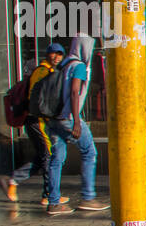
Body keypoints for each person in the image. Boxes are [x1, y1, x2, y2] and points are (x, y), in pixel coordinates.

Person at [46, 35, 110, 215]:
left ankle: (53, 202)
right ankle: (88, 197)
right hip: (69, 118)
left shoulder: (63, 64)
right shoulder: (80, 66)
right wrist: (76, 122)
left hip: (54, 118)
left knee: (56, 159)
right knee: (89, 152)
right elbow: (75, 92)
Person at [0, 43, 68, 207]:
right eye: (54, 53)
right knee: (48, 155)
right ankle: (48, 194)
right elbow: (37, 98)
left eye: (60, 54)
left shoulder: (49, 71)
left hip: (40, 120)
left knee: (43, 157)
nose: (57, 57)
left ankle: (14, 180)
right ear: (47, 54)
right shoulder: (43, 71)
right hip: (38, 121)